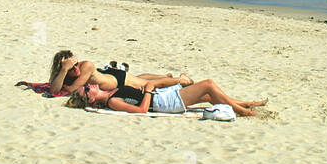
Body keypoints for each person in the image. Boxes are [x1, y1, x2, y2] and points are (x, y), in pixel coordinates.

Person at [67, 78, 267, 118]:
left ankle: (244, 103)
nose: (89, 85)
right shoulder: (112, 102)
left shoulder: (112, 91)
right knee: (208, 85)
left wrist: (155, 83)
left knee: (207, 95)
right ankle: (246, 112)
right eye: (87, 89)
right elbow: (141, 110)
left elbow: (144, 82)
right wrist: (148, 91)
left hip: (161, 96)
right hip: (161, 103)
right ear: (91, 99)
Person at [48, 50, 190, 97]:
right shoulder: (64, 72)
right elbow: (54, 89)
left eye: (75, 64)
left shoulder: (86, 66)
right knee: (137, 78)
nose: (76, 69)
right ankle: (165, 77)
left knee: (148, 84)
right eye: (72, 68)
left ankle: (181, 80)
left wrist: (67, 71)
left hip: (116, 80)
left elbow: (71, 90)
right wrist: (64, 70)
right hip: (111, 75)